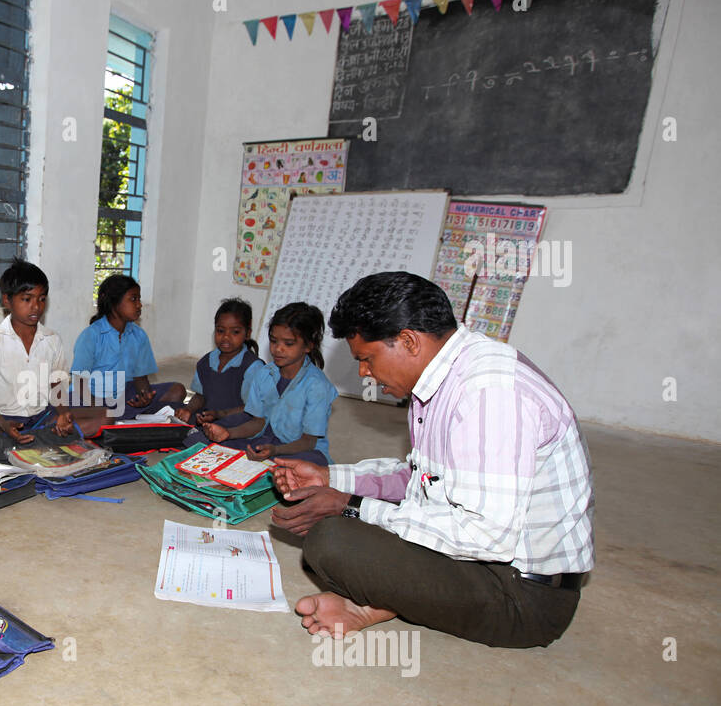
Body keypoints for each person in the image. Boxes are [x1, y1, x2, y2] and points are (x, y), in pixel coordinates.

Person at [270, 272, 594, 649]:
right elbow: (422, 478)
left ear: (408, 341)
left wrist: (351, 507)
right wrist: (331, 478)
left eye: (367, 359)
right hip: (480, 560)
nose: (363, 373)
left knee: (332, 540)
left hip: (523, 595)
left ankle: (382, 602)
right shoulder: (440, 380)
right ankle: (382, 603)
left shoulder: (490, 394)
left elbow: (486, 537)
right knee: (341, 533)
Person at [0, 260, 107, 461]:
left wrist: (63, 414)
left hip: (42, 417)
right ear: (7, 300)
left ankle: (24, 446)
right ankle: (36, 443)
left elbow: (57, 385)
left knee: (106, 416)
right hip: (3, 419)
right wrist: (3, 423)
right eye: (27, 299)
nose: (36, 306)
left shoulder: (52, 340)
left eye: (41, 299)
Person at [71, 273, 186, 420]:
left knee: (177, 390)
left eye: (139, 299)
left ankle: (127, 417)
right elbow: (79, 383)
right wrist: (99, 408)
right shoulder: (91, 335)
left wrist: (144, 397)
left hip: (123, 395)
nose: (139, 305)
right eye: (133, 299)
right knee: (79, 410)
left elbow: (140, 379)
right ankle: (125, 418)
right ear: (114, 303)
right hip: (91, 398)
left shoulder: (139, 335)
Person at [242, 303, 336, 465]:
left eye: (288, 343)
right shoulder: (264, 373)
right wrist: (227, 433)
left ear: (308, 345)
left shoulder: (317, 386)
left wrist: (275, 450)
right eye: (273, 341)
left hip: (301, 449)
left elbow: (308, 441)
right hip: (266, 441)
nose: (278, 349)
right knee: (219, 444)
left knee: (305, 467)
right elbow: (257, 422)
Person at [175, 297, 266, 449]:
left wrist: (219, 414)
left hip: (237, 420)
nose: (225, 337)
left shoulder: (252, 367)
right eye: (220, 331)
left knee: (201, 435)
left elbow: (251, 408)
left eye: (235, 332)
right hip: (211, 417)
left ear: (247, 333)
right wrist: (188, 410)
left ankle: (204, 438)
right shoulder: (205, 362)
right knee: (176, 416)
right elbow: (200, 396)